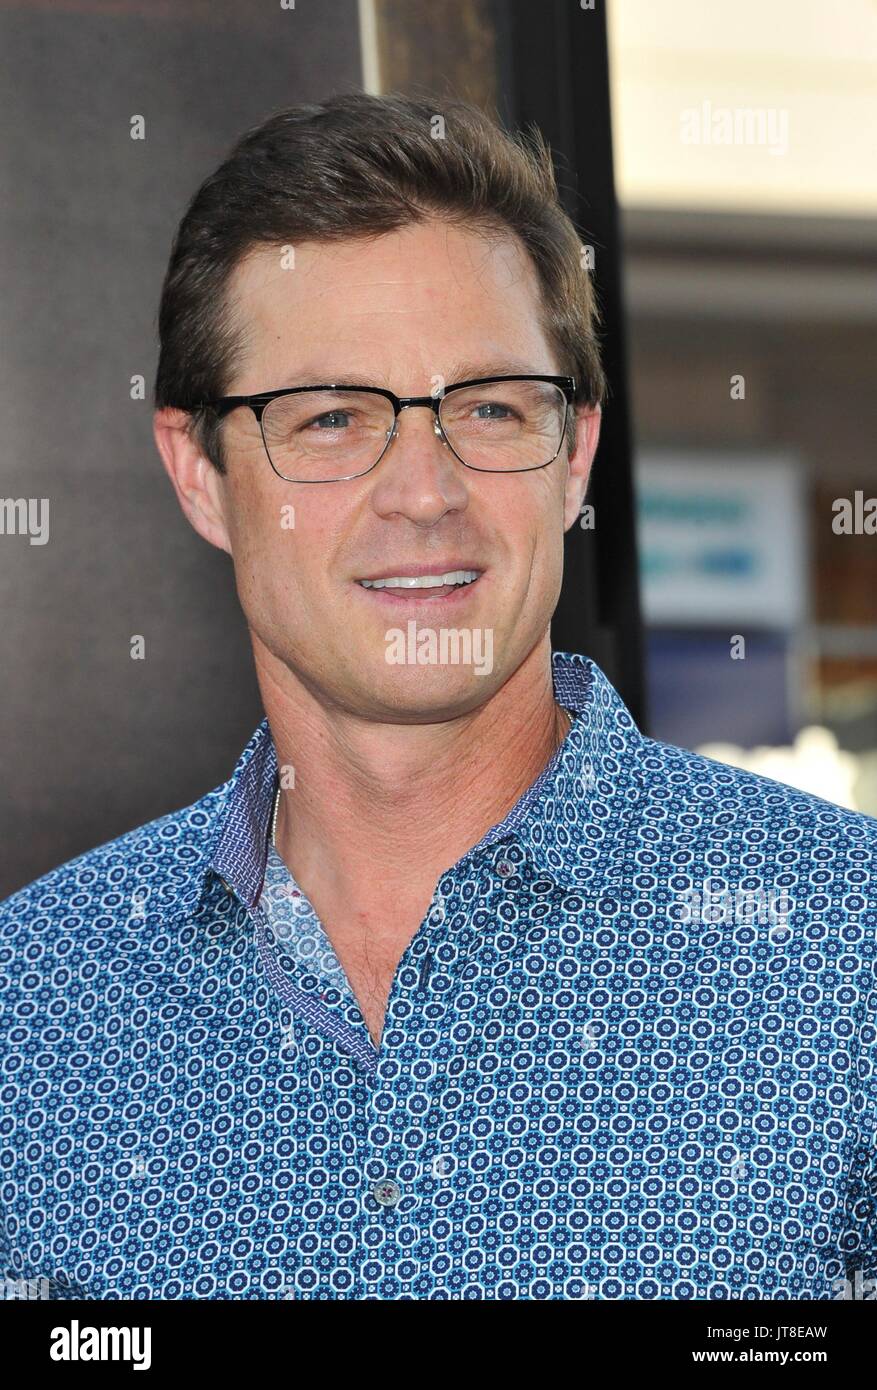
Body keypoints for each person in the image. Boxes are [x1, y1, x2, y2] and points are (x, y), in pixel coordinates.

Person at [1, 91, 875, 1303]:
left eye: (488, 409)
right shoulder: (32, 1002)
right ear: (200, 474)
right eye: (331, 417)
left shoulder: (848, 949)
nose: (425, 489)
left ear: (574, 453)